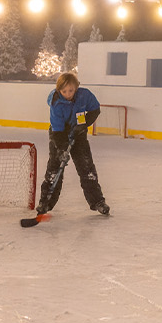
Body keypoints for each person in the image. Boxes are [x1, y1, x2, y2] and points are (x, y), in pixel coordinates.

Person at [30, 71, 108, 221]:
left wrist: (83, 124)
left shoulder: (84, 95)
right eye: (64, 91)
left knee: (86, 168)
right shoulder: (55, 102)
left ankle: (98, 201)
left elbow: (95, 109)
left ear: (76, 87)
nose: (68, 94)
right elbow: (57, 129)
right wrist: (61, 149)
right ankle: (45, 203)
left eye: (71, 90)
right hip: (59, 133)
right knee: (54, 168)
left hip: (78, 133)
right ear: (59, 90)